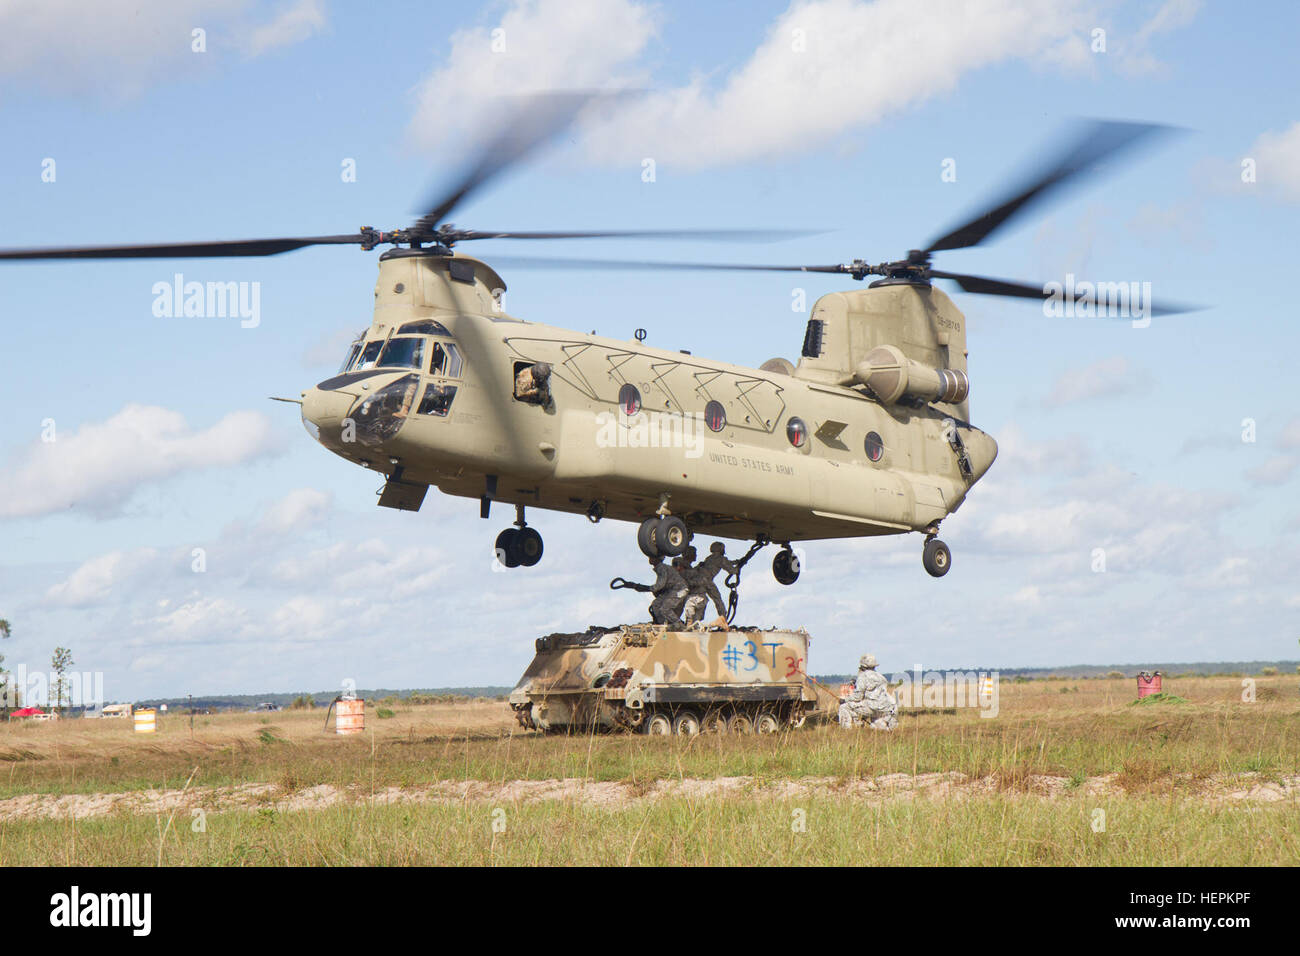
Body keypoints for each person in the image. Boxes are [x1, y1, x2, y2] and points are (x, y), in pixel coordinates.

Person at [838, 654, 898, 731]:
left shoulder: (863, 676)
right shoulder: (881, 677)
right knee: (878, 730)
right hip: (884, 708)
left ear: (863, 666)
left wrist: (845, 700)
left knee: (844, 707)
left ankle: (846, 731)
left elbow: (858, 697)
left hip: (872, 707)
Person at [628, 556, 688, 627]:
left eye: (652, 557)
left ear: (658, 559)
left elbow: (658, 586)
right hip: (670, 590)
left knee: (665, 609)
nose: (650, 558)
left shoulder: (662, 568)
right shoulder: (660, 568)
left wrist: (641, 587)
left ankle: (679, 625)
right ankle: (662, 624)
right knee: (655, 605)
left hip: (679, 589)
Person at [695, 541, 736, 619]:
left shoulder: (709, 558)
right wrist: (737, 569)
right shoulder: (721, 559)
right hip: (707, 581)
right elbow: (732, 570)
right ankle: (723, 618)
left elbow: (726, 563)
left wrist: (736, 562)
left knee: (699, 600)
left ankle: (696, 620)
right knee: (717, 599)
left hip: (699, 580)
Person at [673, 549, 710, 625]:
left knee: (693, 622)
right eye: (694, 553)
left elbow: (699, 580)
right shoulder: (685, 571)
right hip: (689, 598)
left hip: (696, 598)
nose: (696, 555)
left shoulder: (691, 571)